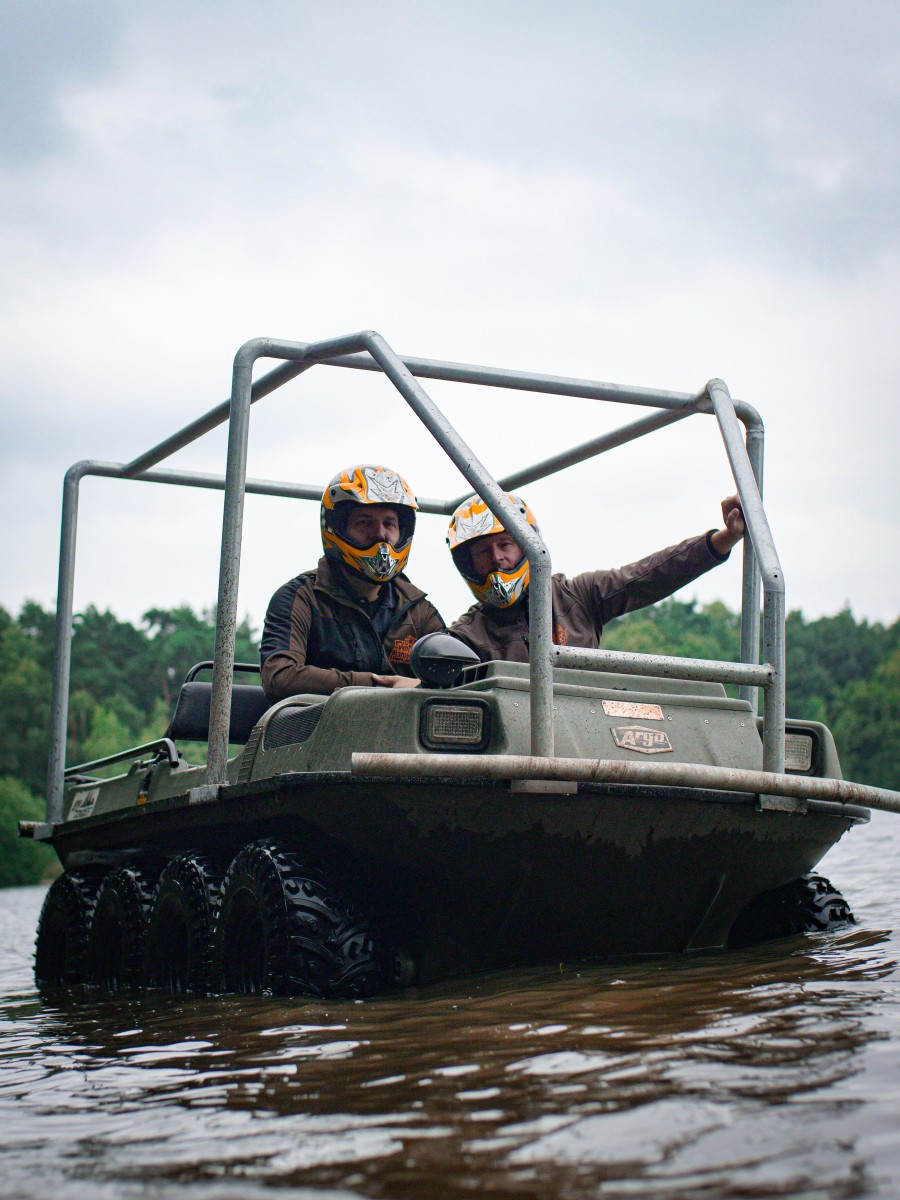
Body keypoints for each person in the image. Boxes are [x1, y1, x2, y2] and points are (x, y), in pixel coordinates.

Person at [446, 491, 746, 662]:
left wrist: (724, 539)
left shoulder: (578, 595)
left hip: (587, 741)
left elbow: (649, 575)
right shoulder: (465, 635)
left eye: (506, 545)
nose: (498, 557)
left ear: (527, 545)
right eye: (484, 552)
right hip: (514, 755)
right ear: (468, 564)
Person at [261, 464, 446, 700]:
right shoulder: (301, 596)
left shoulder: (417, 609)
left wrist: (423, 683)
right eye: (364, 523)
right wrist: (378, 685)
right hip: (317, 731)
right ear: (337, 529)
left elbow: (454, 676)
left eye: (389, 523)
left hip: (397, 734)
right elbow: (280, 678)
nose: (380, 534)